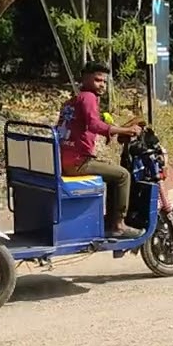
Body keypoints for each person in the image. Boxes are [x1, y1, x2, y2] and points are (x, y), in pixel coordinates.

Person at [55, 63, 144, 238]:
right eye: (97, 80)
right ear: (85, 78)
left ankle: (109, 219)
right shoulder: (88, 98)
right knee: (123, 175)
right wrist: (126, 130)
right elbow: (93, 124)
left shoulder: (73, 101)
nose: (102, 84)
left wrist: (109, 131)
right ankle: (118, 225)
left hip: (66, 159)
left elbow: (81, 126)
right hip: (79, 162)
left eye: (104, 81)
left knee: (113, 176)